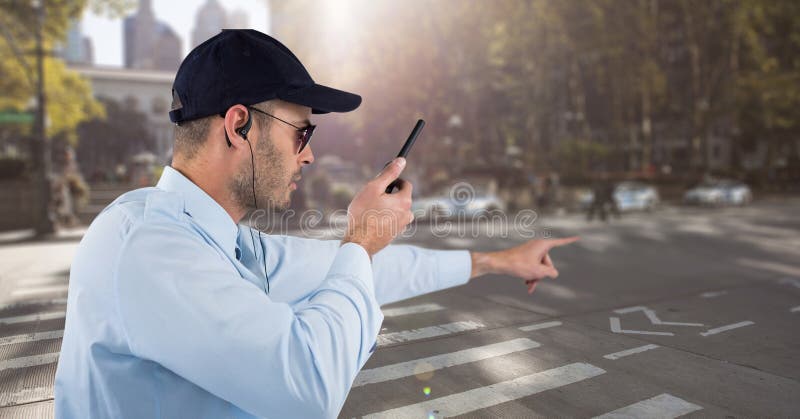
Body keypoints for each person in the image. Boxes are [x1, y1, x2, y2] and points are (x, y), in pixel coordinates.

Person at [54, 29, 578, 418]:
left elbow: (363, 269)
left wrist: (493, 261)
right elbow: (306, 389)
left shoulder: (228, 242)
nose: (309, 156)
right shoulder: (148, 245)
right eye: (301, 133)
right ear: (238, 126)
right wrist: (359, 241)